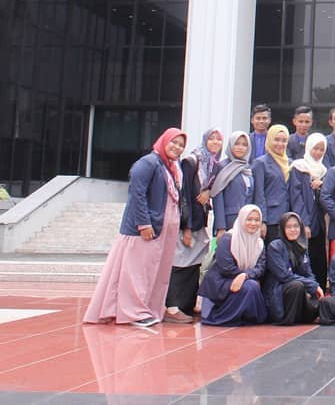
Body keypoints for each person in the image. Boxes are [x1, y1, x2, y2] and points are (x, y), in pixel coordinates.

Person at [84, 128, 186, 327]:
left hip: (163, 230)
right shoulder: (148, 163)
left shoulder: (170, 167)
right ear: (163, 141)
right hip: (146, 229)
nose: (177, 147)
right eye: (174, 142)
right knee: (137, 272)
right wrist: (144, 223)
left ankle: (149, 308)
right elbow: (136, 195)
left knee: (156, 272)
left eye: (181, 145)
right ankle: (133, 313)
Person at [199, 204, 268, 326]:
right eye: (249, 219)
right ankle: (221, 316)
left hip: (243, 279)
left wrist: (245, 276)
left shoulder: (259, 243)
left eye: (257, 220)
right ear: (241, 219)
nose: (253, 223)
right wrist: (244, 276)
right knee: (250, 286)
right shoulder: (228, 238)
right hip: (222, 281)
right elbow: (226, 268)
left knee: (251, 285)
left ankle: (245, 316)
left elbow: (260, 268)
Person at [164, 143, 210, 323]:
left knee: (194, 264)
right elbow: (185, 196)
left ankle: (187, 305)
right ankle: (174, 307)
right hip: (189, 223)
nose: (216, 143)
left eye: (218, 140)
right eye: (212, 139)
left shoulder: (210, 164)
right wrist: (187, 227)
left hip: (200, 223)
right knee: (180, 263)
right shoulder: (191, 162)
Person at [263, 212, 323, 325]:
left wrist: (315, 288)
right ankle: (287, 319)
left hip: (300, 288)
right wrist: (311, 286)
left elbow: (308, 273)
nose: (293, 230)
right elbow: (284, 276)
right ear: (282, 228)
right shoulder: (275, 246)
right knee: (296, 286)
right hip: (279, 291)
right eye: (289, 227)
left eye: (296, 226)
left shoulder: (302, 246)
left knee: (326, 302)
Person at [288, 132, 328, 288]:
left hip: (319, 223)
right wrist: (303, 223)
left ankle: (320, 293)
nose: (318, 153)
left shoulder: (323, 171)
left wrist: (322, 184)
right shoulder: (299, 167)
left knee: (318, 259)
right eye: (315, 149)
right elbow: (295, 197)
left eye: (321, 149)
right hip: (303, 223)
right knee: (304, 259)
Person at [210, 131, 255, 235]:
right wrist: (220, 227)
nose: (240, 147)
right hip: (229, 220)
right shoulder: (222, 166)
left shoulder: (248, 168)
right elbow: (217, 197)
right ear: (231, 145)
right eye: (237, 143)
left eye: (244, 145)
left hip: (247, 220)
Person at [253, 124, 291, 242]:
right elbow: (259, 194)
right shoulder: (260, 163)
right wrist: (262, 220)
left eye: (284, 141)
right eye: (276, 140)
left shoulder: (291, 163)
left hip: (288, 219)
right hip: (270, 219)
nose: (280, 144)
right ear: (269, 140)